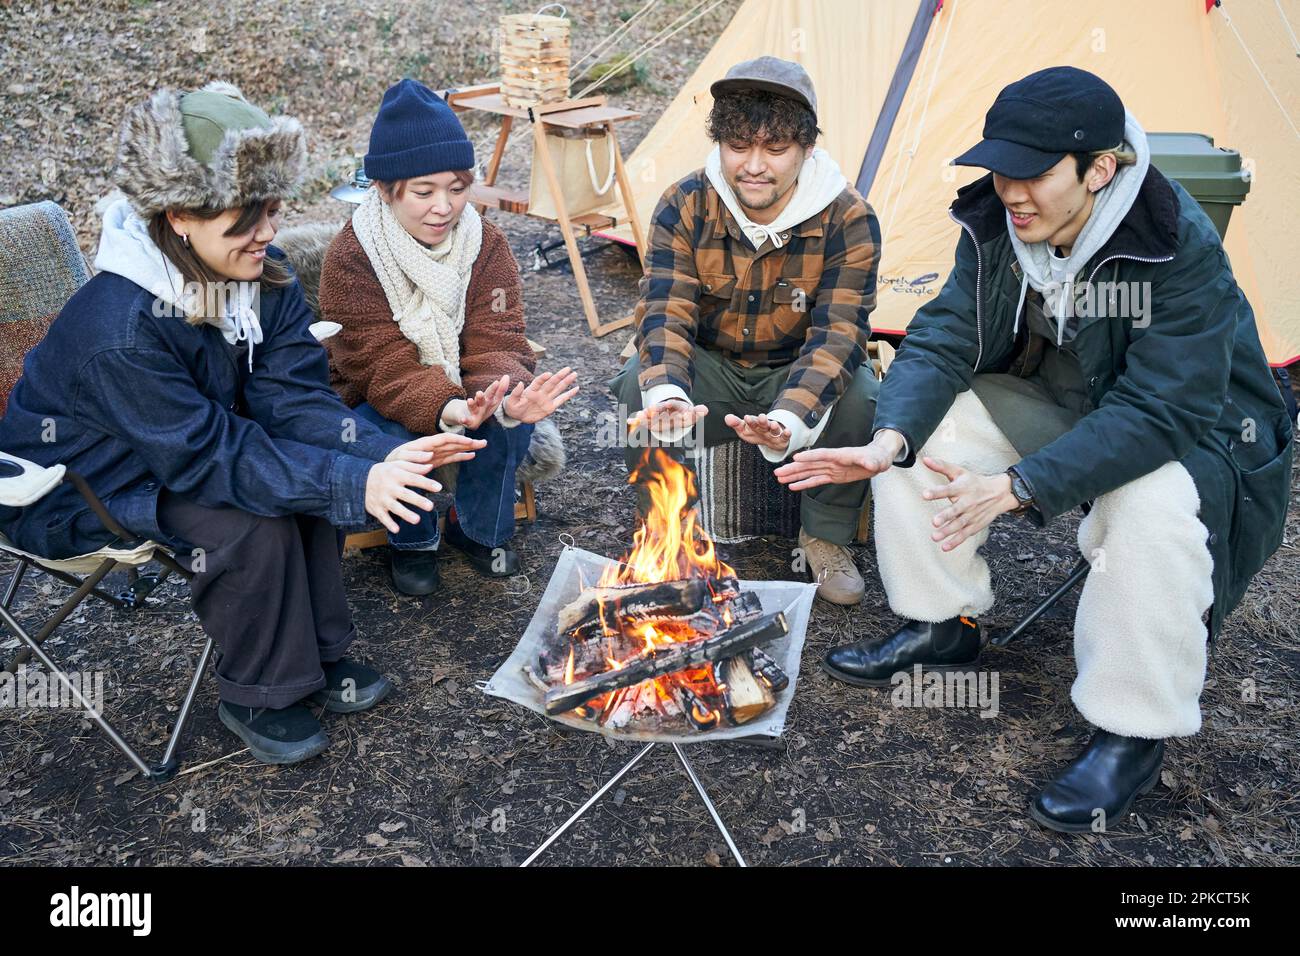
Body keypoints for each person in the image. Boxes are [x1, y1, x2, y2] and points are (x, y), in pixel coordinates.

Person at [777, 67, 1293, 832]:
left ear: (1099, 170)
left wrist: (1019, 485)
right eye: (1001, 167)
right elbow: (947, 332)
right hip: (1068, 394)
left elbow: (1161, 409)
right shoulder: (999, 223)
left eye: (1034, 171)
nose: (1011, 189)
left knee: (1146, 506)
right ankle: (941, 623)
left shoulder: (1173, 242)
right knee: (924, 433)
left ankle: (1132, 728)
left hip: (1198, 427)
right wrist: (889, 439)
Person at [0, 83, 482, 765]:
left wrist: (381, 457)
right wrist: (351, 479)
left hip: (187, 447)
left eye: (274, 211)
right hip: (78, 485)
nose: (268, 234)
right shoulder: (120, 328)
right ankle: (257, 690)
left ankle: (318, 656)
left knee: (301, 480)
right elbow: (208, 458)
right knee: (248, 514)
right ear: (180, 216)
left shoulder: (265, 277)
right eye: (245, 219)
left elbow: (294, 402)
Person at [611, 57, 882, 604]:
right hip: (711, 366)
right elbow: (665, 308)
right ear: (720, 144)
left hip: (794, 366)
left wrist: (791, 418)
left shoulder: (848, 217)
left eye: (775, 149)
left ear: (806, 150)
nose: (753, 166)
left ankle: (823, 538)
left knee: (864, 399)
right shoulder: (685, 203)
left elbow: (839, 333)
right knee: (632, 388)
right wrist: (667, 390)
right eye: (738, 145)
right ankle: (667, 536)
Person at [320, 79, 577, 597]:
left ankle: (476, 529)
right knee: (397, 437)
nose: (444, 207)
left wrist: (501, 393)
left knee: (508, 424)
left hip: (463, 384)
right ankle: (411, 542)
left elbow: (497, 333)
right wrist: (448, 407)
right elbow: (376, 362)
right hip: (378, 394)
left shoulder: (486, 242)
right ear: (385, 188)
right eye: (423, 191)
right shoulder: (352, 257)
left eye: (457, 188)